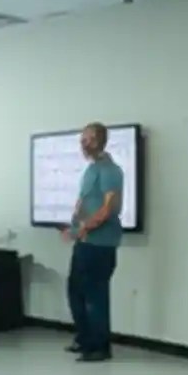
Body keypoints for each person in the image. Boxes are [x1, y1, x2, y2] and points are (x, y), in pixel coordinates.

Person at [61, 122, 124, 362]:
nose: (82, 144)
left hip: (101, 245)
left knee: (95, 296)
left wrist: (84, 228)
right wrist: (75, 226)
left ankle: (100, 347)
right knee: (75, 290)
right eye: (82, 140)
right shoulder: (91, 170)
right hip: (85, 241)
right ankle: (84, 339)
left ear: (99, 141)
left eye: (87, 140)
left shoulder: (111, 171)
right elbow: (84, 200)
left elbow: (108, 208)